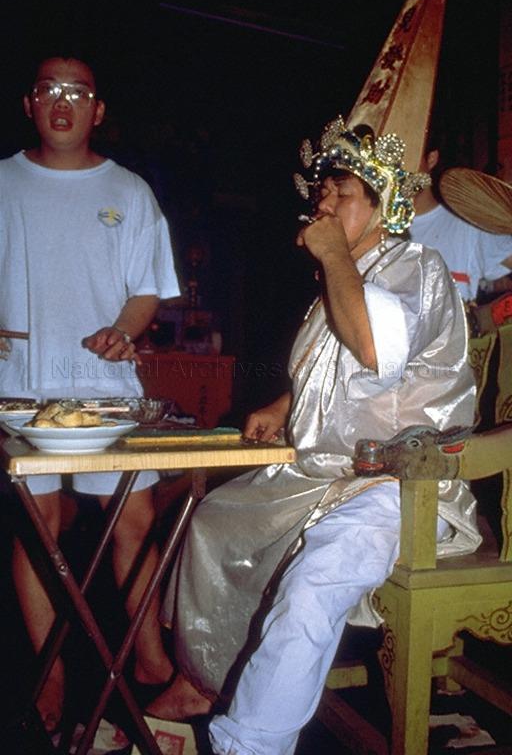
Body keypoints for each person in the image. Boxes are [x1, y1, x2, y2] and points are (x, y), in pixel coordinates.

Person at [145, 116, 482, 755]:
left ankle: (249, 743)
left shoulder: (415, 265)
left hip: (401, 483)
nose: (323, 207)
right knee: (216, 521)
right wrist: (285, 402)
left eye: (342, 195)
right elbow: (337, 372)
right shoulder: (350, 273)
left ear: (384, 205)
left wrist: (331, 254)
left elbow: (375, 350)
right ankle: (203, 680)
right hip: (330, 470)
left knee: (313, 584)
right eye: (322, 194)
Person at [0, 53, 180, 731]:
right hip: (18, 387)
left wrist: (121, 331)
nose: (62, 101)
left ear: (98, 110)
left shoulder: (129, 191)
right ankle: (51, 679)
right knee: (38, 527)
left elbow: (146, 288)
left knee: (133, 521)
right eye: (48, 89)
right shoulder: (3, 182)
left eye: (77, 92)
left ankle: (153, 665)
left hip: (104, 389)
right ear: (29, 103)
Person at [410, 142, 512, 302]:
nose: (399, 168)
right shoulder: (372, 227)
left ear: (431, 159)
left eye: (409, 155)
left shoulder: (468, 223)